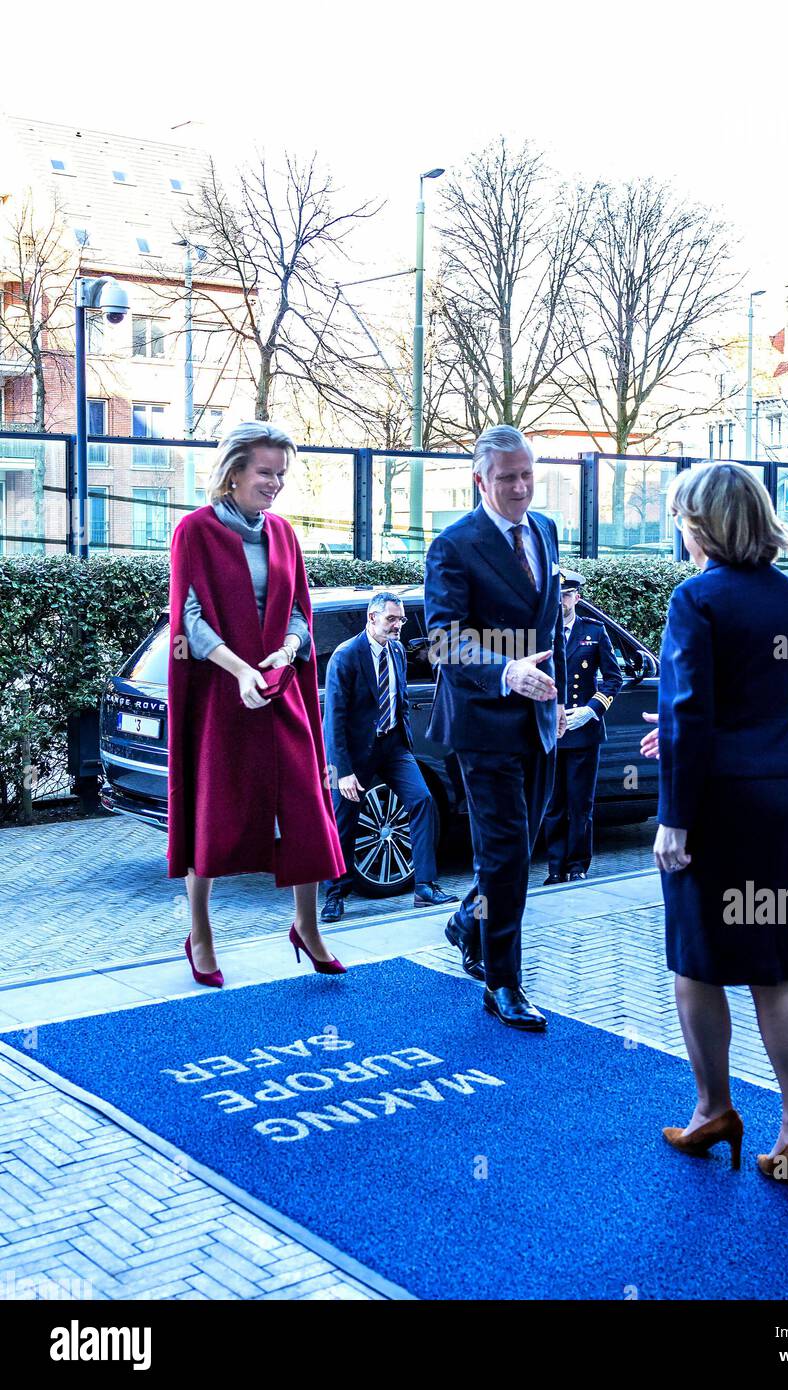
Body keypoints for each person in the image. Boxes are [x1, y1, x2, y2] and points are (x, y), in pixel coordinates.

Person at [642, 462, 788, 1195]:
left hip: (719, 802)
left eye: (684, 515)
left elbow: (693, 712)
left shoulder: (696, 598)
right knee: (772, 964)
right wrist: (685, 736)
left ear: (705, 522)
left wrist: (673, 818)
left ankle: (714, 1109)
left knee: (696, 959)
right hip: (783, 786)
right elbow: (744, 701)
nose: (680, 529)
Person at [167, 421, 346, 986]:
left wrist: (289, 650)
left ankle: (308, 927)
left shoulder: (285, 534)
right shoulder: (194, 532)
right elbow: (188, 621)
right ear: (233, 472)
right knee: (212, 814)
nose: (276, 484)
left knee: (307, 810)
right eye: (266, 472)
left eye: (282, 475)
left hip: (280, 687)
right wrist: (241, 668)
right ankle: (201, 933)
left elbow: (298, 610)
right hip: (223, 693)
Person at [424, 425, 566, 1031]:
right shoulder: (453, 546)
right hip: (482, 725)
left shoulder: (546, 531)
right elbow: (442, 638)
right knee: (506, 856)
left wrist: (555, 695)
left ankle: (464, 921)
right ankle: (502, 985)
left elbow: (549, 626)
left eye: (528, 473)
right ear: (479, 479)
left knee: (515, 854)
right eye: (507, 477)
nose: (521, 486)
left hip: (539, 719)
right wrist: (505, 671)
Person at [320, 592, 458, 920]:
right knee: (345, 821)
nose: (398, 626)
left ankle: (425, 887)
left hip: (393, 747)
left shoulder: (397, 650)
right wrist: (342, 771)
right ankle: (336, 894)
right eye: (391, 620)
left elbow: (400, 698)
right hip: (355, 755)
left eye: (401, 619)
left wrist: (404, 743)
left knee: (423, 801)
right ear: (372, 618)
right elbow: (334, 719)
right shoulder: (346, 656)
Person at [543, 572, 622, 884]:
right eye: (557, 595)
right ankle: (554, 868)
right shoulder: (541, 634)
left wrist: (592, 710)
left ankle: (577, 867)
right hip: (552, 730)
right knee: (553, 805)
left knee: (580, 805)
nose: (562, 601)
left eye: (567, 595)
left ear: (577, 598)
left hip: (583, 730)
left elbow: (614, 678)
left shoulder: (594, 630)